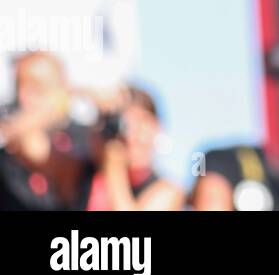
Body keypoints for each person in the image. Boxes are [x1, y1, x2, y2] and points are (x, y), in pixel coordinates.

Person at [0, 51, 89, 210]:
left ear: (61, 88)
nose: (24, 96)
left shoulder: (85, 138)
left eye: (37, 87)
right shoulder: (7, 134)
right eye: (19, 86)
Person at [75, 84, 184, 211]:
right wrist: (88, 95)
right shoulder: (82, 174)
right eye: (125, 123)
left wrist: (114, 166)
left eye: (141, 122)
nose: (132, 135)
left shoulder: (167, 191)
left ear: (157, 127)